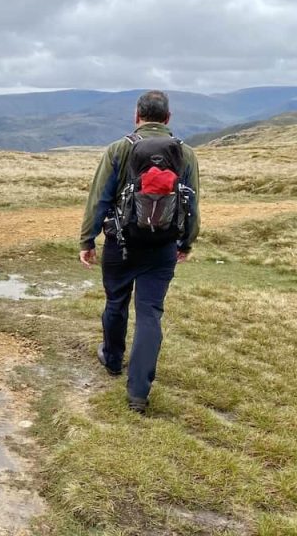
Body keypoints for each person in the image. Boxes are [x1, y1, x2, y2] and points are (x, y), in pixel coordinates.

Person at [78, 90, 200, 414]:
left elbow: (98, 199)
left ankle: (113, 359)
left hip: (120, 244)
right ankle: (138, 394)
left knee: (115, 302)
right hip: (161, 249)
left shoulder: (119, 149)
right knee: (150, 315)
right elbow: (192, 203)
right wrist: (186, 242)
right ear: (168, 118)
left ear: (137, 115)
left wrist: (87, 240)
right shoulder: (185, 153)